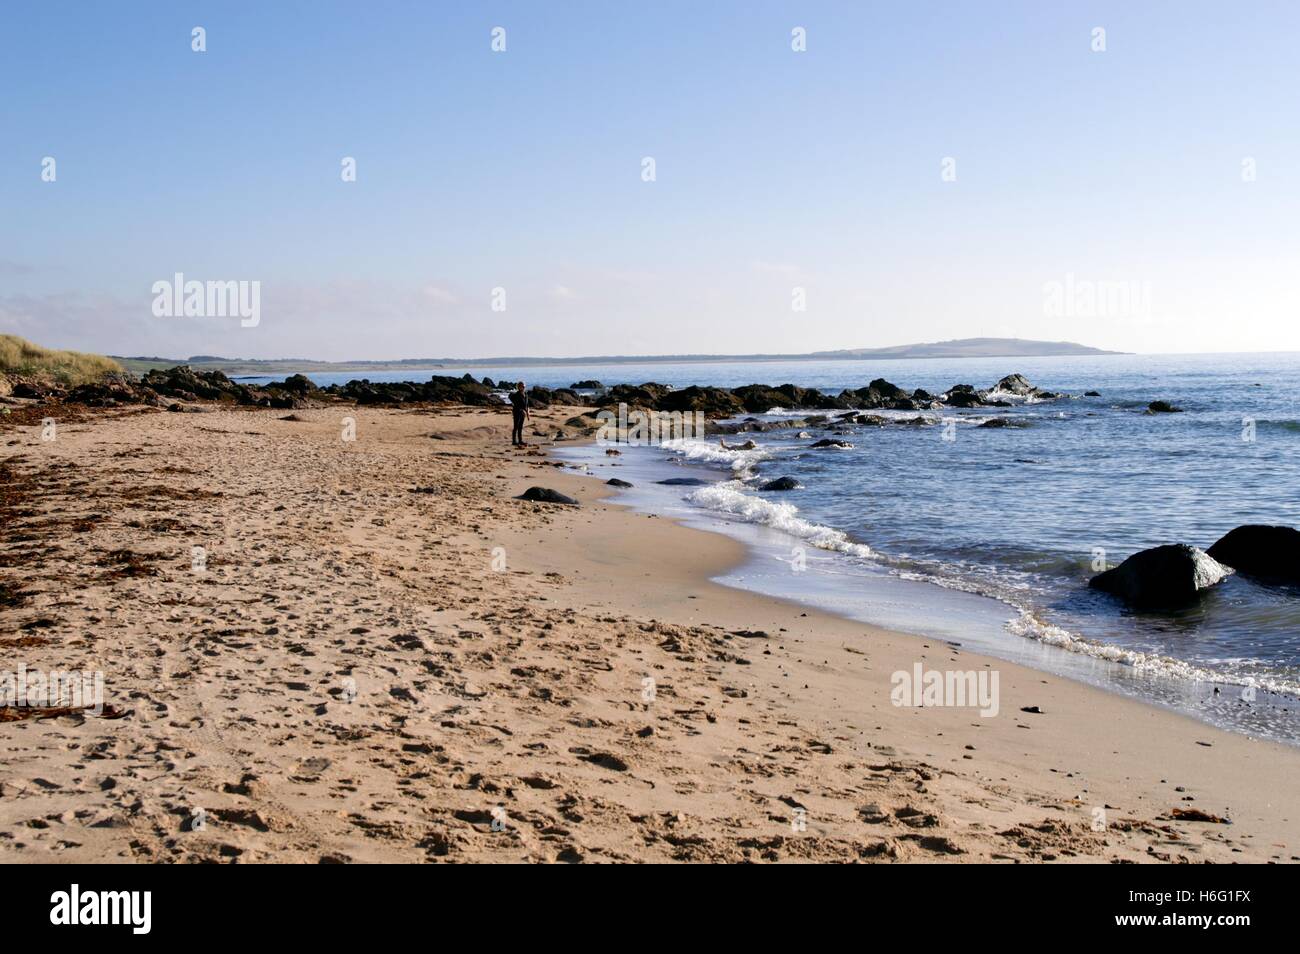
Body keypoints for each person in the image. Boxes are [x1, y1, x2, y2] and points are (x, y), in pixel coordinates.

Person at [508, 381, 530, 446]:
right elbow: (516, 405)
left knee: (520, 427)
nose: (523, 387)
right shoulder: (516, 395)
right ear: (518, 387)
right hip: (517, 412)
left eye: (524, 386)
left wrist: (528, 413)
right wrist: (521, 410)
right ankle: (514, 441)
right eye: (521, 386)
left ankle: (520, 440)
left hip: (523, 413)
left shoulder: (526, 394)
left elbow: (527, 405)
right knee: (516, 427)